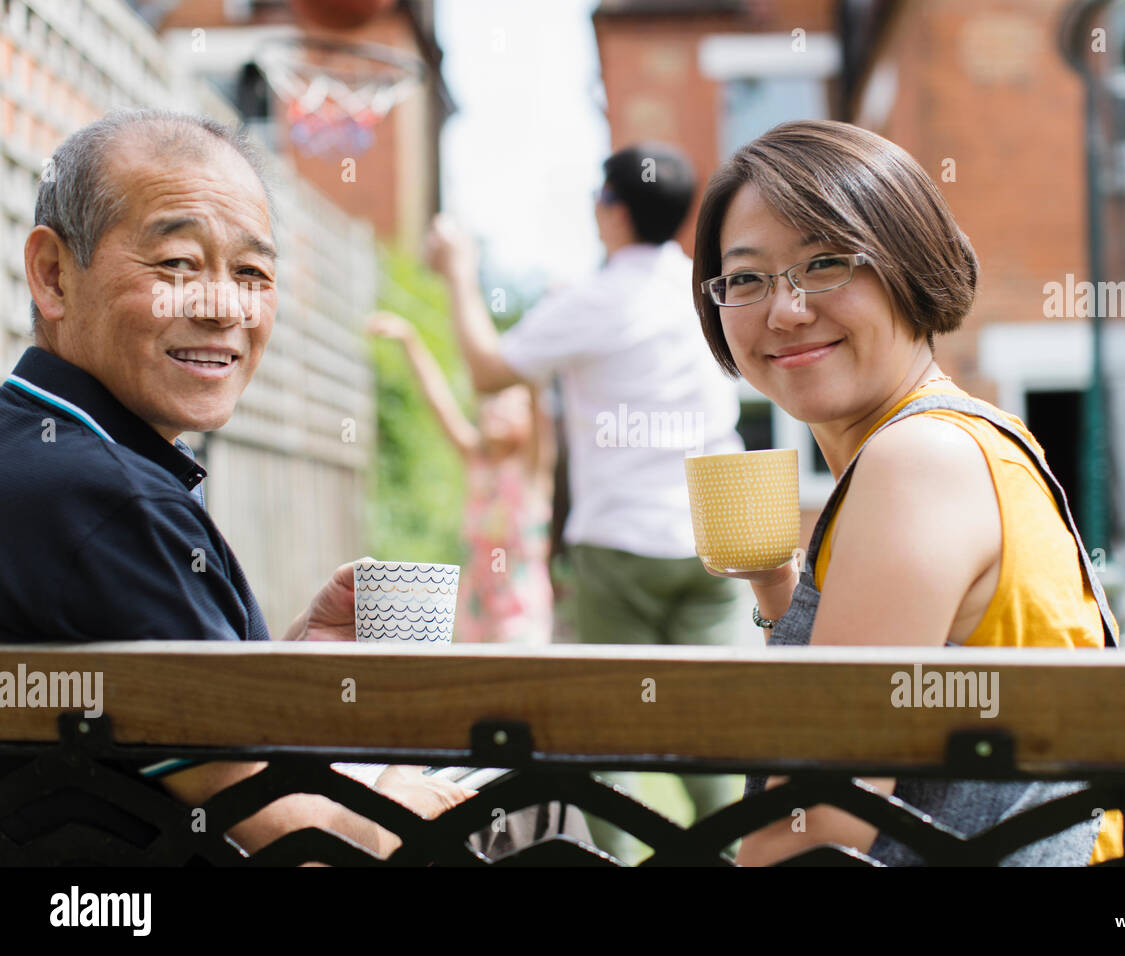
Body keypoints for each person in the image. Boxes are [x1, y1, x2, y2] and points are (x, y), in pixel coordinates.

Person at [0, 109, 585, 861]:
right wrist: (394, 806)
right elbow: (286, 839)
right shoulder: (111, 499)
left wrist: (287, 662)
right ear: (53, 274)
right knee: (540, 803)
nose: (223, 306)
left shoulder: (38, 452)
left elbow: (190, 753)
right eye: (177, 264)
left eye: (251, 273)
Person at [689, 119, 1125, 866]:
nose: (785, 311)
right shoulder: (962, 442)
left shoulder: (918, 462)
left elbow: (818, 830)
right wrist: (780, 594)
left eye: (825, 264)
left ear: (911, 265)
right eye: (748, 278)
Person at [424, 144, 752, 863]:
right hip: (717, 537)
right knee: (713, 729)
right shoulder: (711, 291)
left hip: (621, 541)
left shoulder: (597, 299)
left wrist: (459, 272)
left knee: (609, 730)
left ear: (610, 210)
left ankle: (616, 864)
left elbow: (487, 371)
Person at [366, 311, 554, 645]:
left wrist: (531, 363)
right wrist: (410, 340)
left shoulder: (532, 469)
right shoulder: (477, 461)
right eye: (493, 400)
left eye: (511, 403)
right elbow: (438, 402)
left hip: (519, 611)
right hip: (476, 608)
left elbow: (539, 399)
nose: (496, 407)